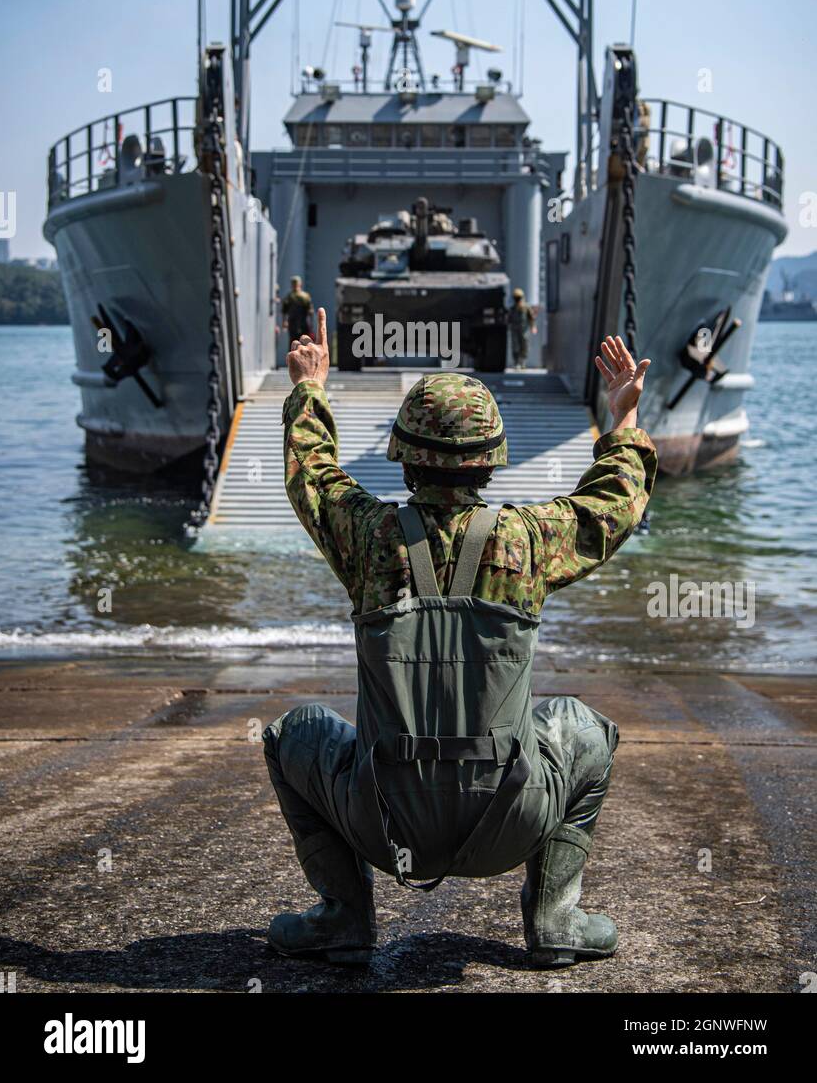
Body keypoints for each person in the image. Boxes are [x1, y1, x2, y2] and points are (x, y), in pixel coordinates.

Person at [263, 310, 656, 967]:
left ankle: (343, 917)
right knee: (586, 730)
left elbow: (312, 472)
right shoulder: (528, 540)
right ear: (491, 459)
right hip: (508, 823)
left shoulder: (366, 538)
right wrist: (623, 420)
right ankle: (555, 919)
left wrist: (310, 387)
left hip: (383, 826)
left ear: (403, 456)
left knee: (291, 733)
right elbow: (613, 502)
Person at [280, 276, 313, 354]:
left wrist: (310, 323)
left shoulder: (305, 296)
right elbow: (284, 311)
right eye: (293, 283)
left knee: (304, 341)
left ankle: (305, 359)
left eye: (296, 283)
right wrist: (284, 321)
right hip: (293, 322)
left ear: (300, 284)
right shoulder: (289, 297)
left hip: (303, 322)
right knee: (293, 341)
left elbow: (310, 310)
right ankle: (293, 359)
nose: (295, 285)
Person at [507, 287, 537, 369]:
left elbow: (531, 318)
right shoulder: (512, 309)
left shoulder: (526, 308)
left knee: (524, 346)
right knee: (515, 346)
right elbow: (508, 320)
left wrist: (533, 327)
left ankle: (522, 362)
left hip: (524, 330)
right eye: (516, 298)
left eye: (518, 298)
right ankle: (516, 363)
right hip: (515, 330)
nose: (517, 300)